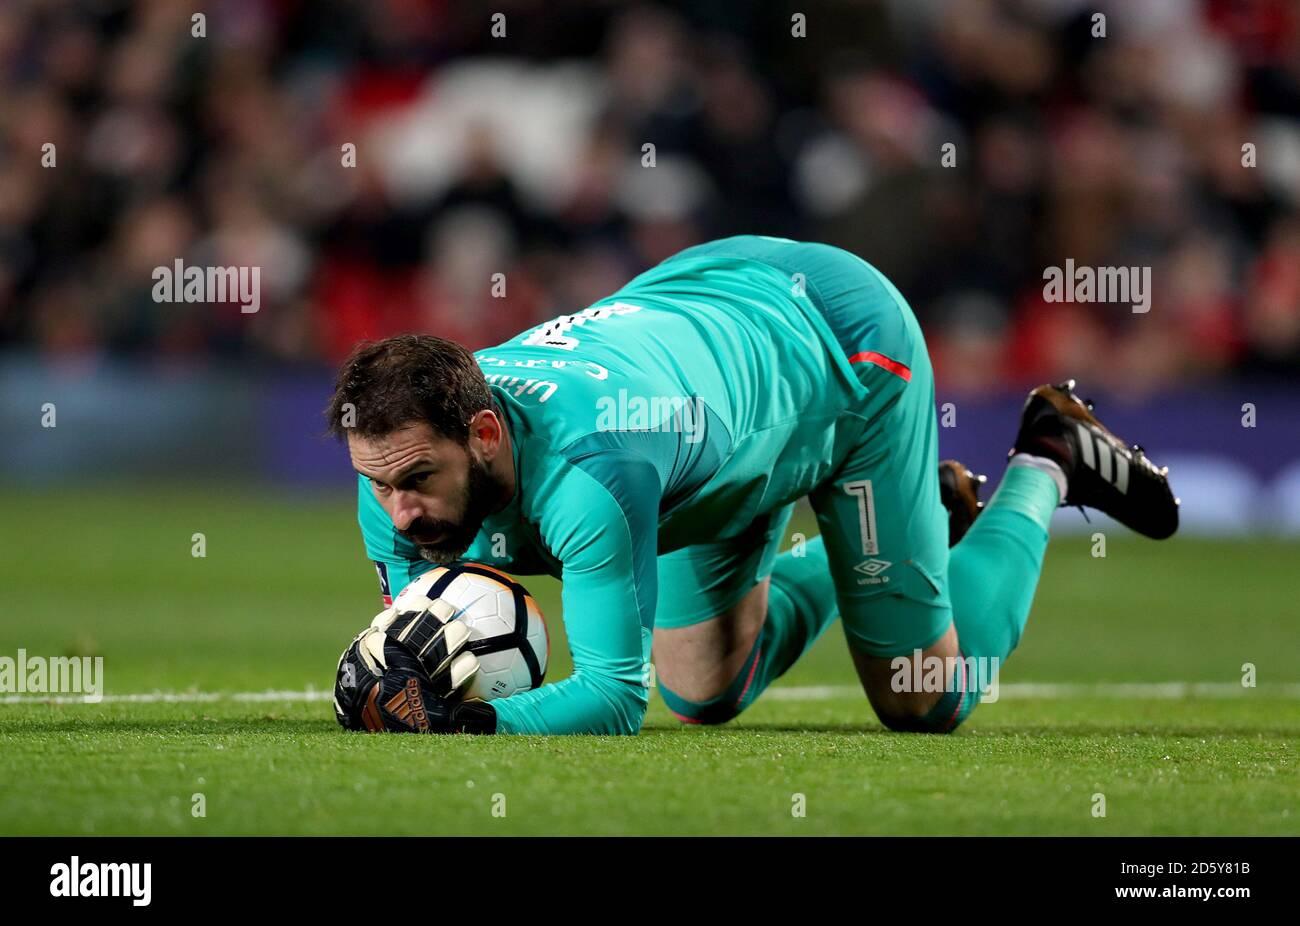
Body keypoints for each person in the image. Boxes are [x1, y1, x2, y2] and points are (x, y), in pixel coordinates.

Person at [328, 236, 1179, 735]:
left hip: (840, 354)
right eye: (376, 484)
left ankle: (1048, 457)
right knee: (703, 692)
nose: (398, 513)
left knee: (923, 696)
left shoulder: (593, 473)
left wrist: (459, 722)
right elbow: (417, 636)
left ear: (483, 435)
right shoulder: (399, 470)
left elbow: (614, 700)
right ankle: (919, 522)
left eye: (416, 481)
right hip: (712, 364)